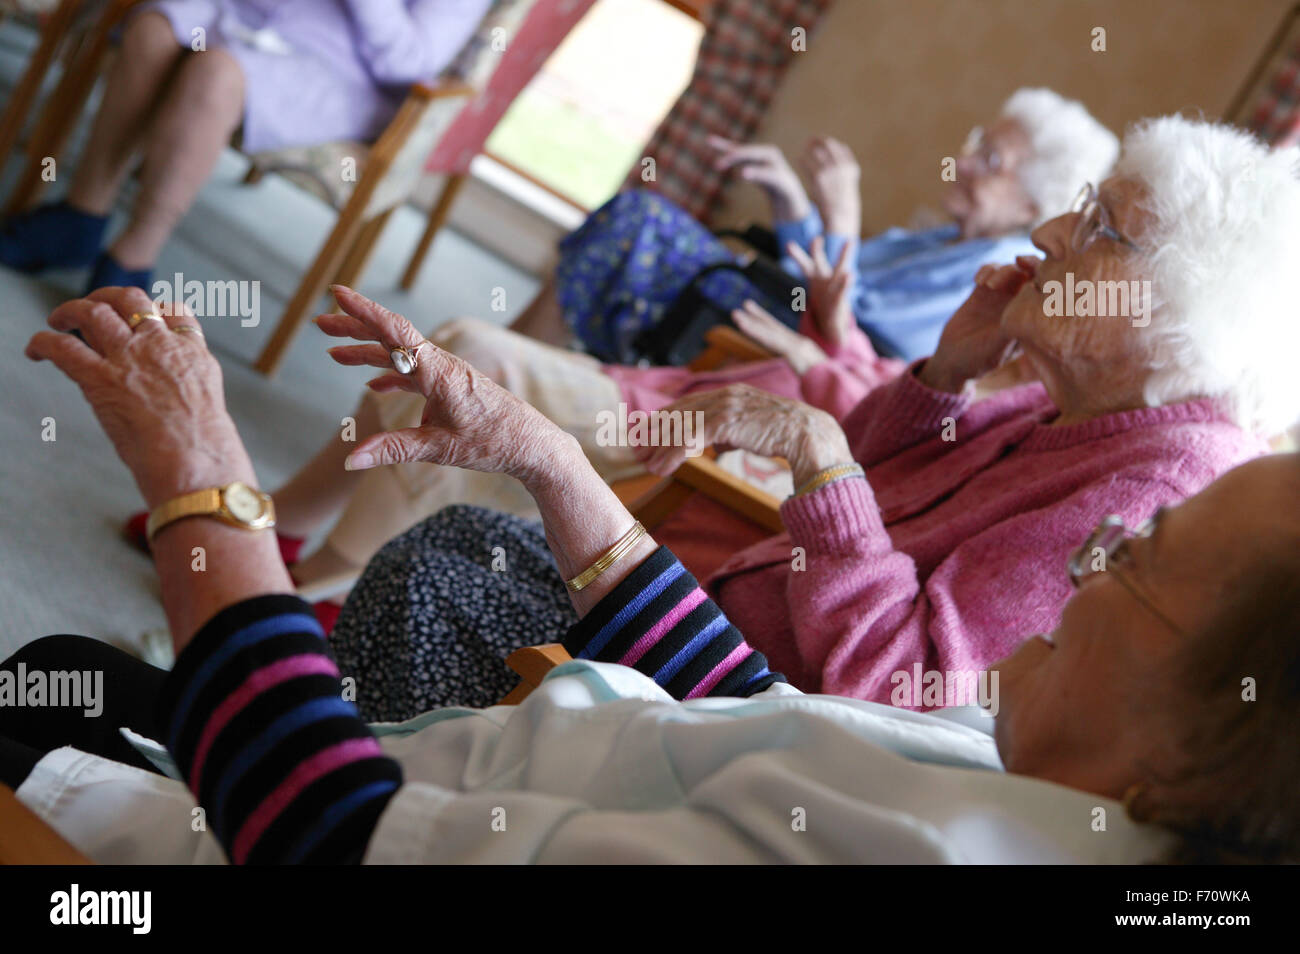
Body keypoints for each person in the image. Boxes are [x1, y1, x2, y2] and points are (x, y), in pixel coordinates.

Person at [6, 285, 1298, 864]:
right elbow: (766, 708)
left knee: (40, 695)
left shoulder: (912, 851)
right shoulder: (1053, 775)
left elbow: (327, 840)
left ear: (1200, 757)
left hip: (324, 820)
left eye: (1135, 564)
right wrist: (549, 461)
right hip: (500, 738)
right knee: (74, 674)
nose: (1096, 565)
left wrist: (204, 493)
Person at [324, 115, 1300, 718]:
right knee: (464, 542)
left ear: (1183, 302)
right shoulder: (1076, 401)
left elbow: (896, 684)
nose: (1046, 232)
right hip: (734, 617)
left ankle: (313, 789)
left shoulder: (1159, 483)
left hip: (754, 710)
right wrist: (946, 371)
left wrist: (821, 460)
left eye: (1099, 228)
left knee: (439, 579)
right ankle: (269, 745)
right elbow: (880, 482)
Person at [122, 235, 904, 600]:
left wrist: (820, 364)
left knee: (471, 359)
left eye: (992, 159)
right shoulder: (962, 361)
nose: (1023, 262)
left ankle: (322, 583)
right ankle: (290, 521)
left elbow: (858, 439)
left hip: (698, 448)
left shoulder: (1004, 408)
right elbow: (878, 382)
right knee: (453, 353)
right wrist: (835, 337)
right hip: (662, 394)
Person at [509, 87, 1119, 363]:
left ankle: (499, 377)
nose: (964, 163)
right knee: (635, 218)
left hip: (791, 347)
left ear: (1031, 203)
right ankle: (504, 373)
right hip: (776, 307)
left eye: (992, 161)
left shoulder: (997, 267)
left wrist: (840, 214)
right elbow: (814, 270)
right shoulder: (946, 237)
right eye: (978, 144)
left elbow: (857, 330)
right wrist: (790, 201)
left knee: (636, 224)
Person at [0, 0, 493, 291]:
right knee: (153, 30)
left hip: (340, 72)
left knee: (214, 74)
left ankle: (132, 260)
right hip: (245, 11)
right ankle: (81, 218)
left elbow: (411, 62)